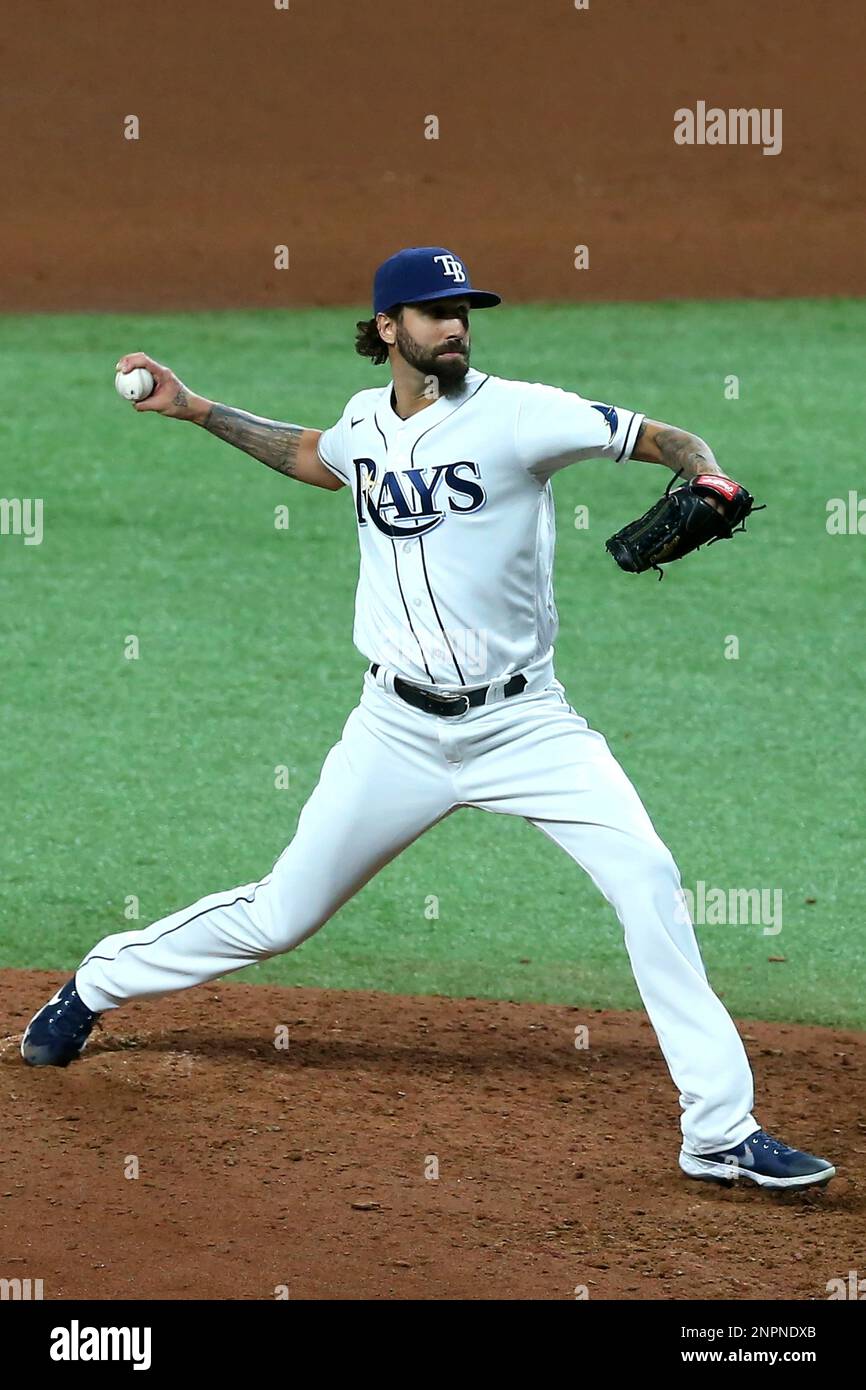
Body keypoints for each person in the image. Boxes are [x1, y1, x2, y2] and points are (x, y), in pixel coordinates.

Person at [22, 246, 834, 1192]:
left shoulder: (524, 413)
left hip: (528, 728)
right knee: (281, 913)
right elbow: (307, 454)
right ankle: (95, 985)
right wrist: (197, 408)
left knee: (648, 876)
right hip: (394, 733)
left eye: (462, 310)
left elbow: (663, 437)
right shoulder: (366, 422)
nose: (454, 326)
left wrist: (710, 474)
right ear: (385, 329)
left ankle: (719, 1131)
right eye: (432, 311)